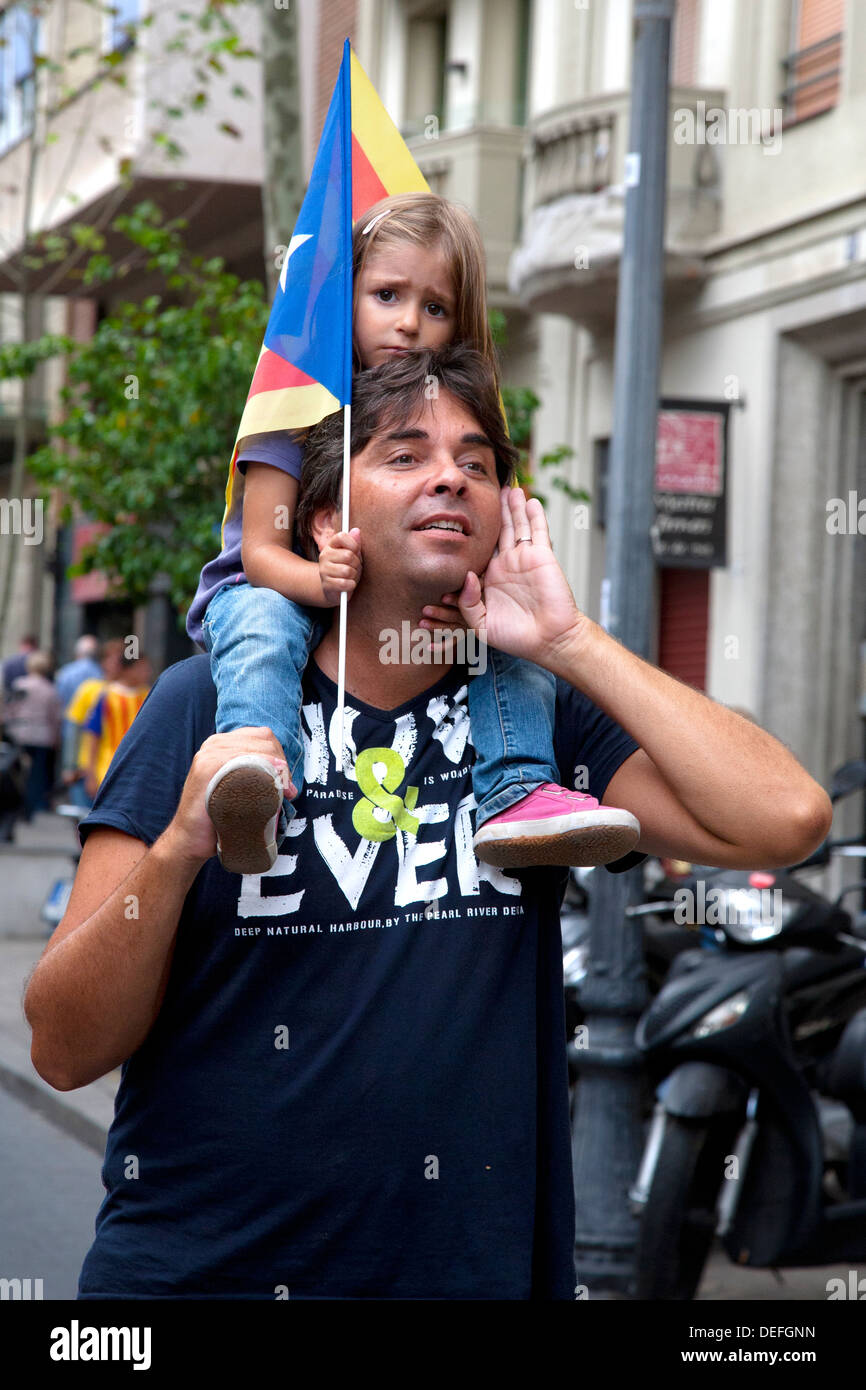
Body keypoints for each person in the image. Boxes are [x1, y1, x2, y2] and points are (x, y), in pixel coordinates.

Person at [24, 347, 832, 1300]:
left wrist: (572, 642)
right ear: (327, 521)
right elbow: (64, 1047)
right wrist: (178, 850)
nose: (452, 473)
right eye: (405, 455)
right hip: (199, 1278)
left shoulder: (537, 719)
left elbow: (785, 819)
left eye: (478, 463)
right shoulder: (206, 708)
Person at [186, 191, 640, 877]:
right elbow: (259, 553)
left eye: (434, 307)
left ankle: (517, 788)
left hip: (386, 603)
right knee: (264, 628)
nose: (407, 324)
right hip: (277, 587)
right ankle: (256, 779)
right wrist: (319, 579)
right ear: (346, 297)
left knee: (500, 640)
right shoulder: (292, 404)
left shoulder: (454, 405)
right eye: (387, 295)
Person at [61, 639, 125, 811]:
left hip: (117, 771)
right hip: (85, 769)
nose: (116, 664)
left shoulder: (135, 693)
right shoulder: (90, 689)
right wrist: (69, 766)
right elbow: (73, 728)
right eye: (112, 659)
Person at [81, 649, 152, 799]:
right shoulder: (107, 697)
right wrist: (90, 774)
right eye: (142, 667)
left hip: (139, 773)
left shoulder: (149, 695)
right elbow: (93, 737)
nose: (147, 672)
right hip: (108, 770)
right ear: (128, 670)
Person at [6, 651, 62, 819]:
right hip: (41, 736)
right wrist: (56, 737)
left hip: (19, 734)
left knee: (15, 774)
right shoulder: (49, 689)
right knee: (37, 775)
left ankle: (16, 806)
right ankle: (30, 808)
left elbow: (9, 709)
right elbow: (55, 717)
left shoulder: (20, 684)